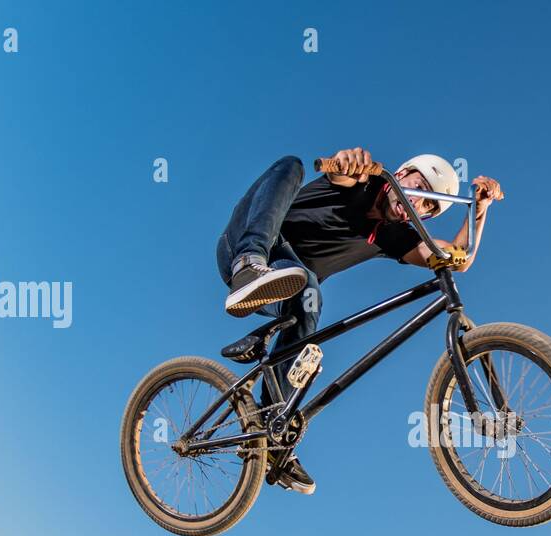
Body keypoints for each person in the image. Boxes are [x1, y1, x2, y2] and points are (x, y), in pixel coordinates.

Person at [216, 148, 504, 493]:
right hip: (243, 246)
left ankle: (271, 429)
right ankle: (250, 262)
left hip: (284, 286)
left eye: (428, 207)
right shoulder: (360, 182)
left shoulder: (393, 236)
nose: (419, 204)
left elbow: (455, 259)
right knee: (291, 165)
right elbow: (342, 170)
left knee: (308, 299)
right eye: (419, 189)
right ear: (400, 173)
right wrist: (348, 162)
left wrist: (480, 209)